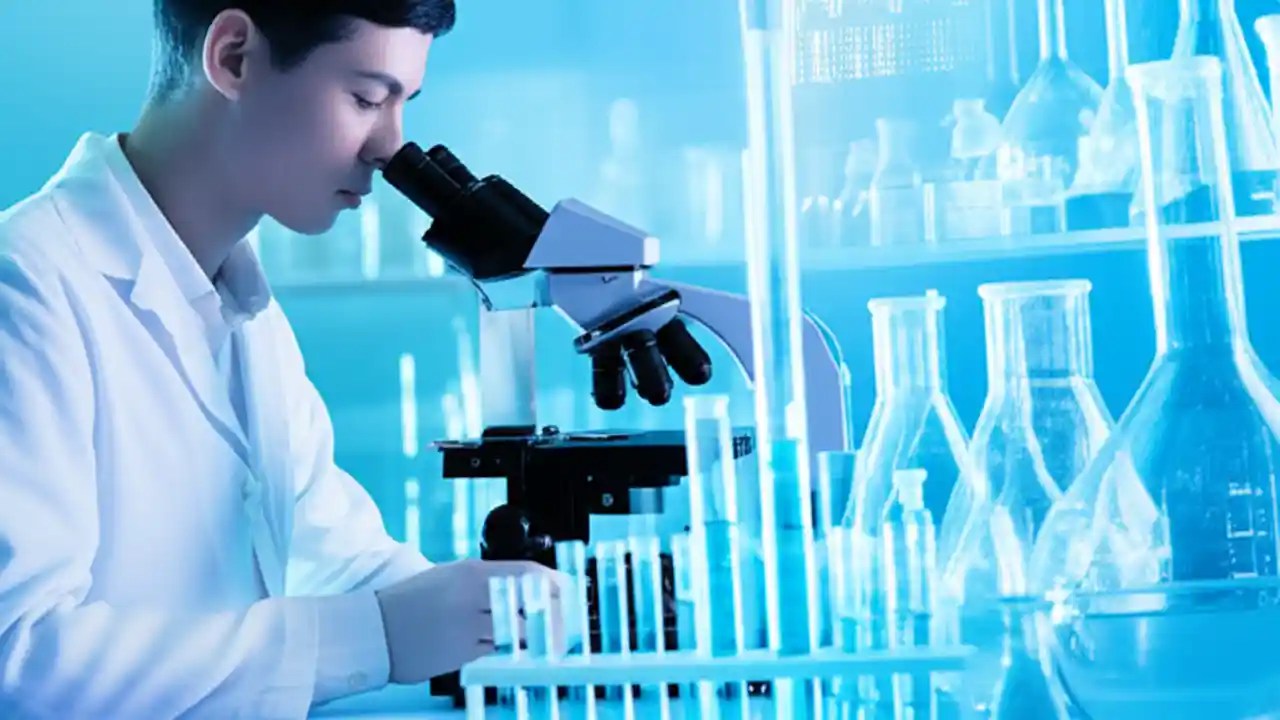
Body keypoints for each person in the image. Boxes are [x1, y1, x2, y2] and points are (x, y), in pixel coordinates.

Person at [0, 2, 642, 717]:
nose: (389, 149)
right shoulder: (25, 287)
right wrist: (376, 636)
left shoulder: (243, 310)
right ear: (234, 58)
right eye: (367, 98)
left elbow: (334, 553)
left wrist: (512, 623)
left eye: (404, 105)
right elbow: (19, 657)